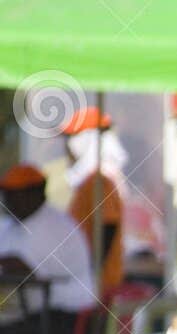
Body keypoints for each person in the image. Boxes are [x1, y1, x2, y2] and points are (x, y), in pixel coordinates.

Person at [0, 164, 97, 334]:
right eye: (6, 194)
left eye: (15, 194)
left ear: (37, 193)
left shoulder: (57, 226)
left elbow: (27, 272)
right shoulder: (11, 225)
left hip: (65, 315)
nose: (8, 200)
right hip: (27, 312)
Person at [59, 107, 125, 298]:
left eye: (70, 137)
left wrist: (91, 270)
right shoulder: (91, 179)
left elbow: (108, 225)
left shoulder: (100, 178)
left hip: (100, 284)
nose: (67, 146)